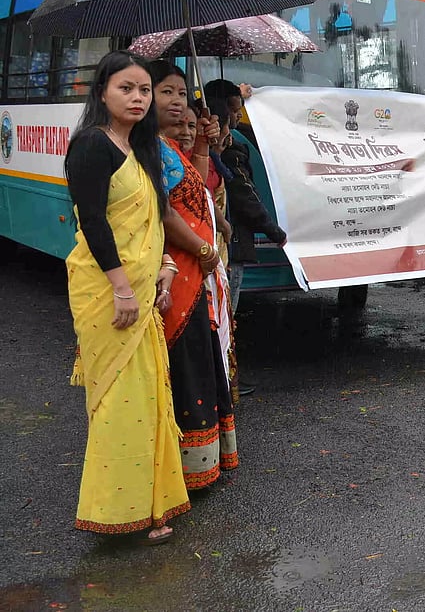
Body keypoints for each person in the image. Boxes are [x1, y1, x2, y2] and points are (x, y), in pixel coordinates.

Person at [64, 50, 190, 544]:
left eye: (143, 90)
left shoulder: (140, 149)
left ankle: (149, 504)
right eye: (127, 89)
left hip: (142, 288)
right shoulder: (91, 146)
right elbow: (94, 223)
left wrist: (162, 266)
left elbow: (152, 219)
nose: (138, 98)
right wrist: (121, 288)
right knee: (120, 400)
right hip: (109, 292)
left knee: (151, 397)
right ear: (102, 93)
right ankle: (118, 513)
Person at [148, 62, 239, 490]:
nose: (178, 102)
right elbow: (166, 214)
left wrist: (202, 141)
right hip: (177, 269)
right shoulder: (146, 149)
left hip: (195, 271)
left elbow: (196, 188)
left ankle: (204, 463)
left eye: (182, 93)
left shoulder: (172, 150)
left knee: (201, 358)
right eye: (166, 92)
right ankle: (184, 469)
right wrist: (202, 249)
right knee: (184, 363)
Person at [204, 79, 287, 318]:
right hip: (230, 246)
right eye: (233, 109)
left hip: (224, 245)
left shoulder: (228, 145)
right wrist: (275, 232)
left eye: (240, 108)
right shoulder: (226, 151)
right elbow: (244, 196)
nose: (238, 115)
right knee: (224, 314)